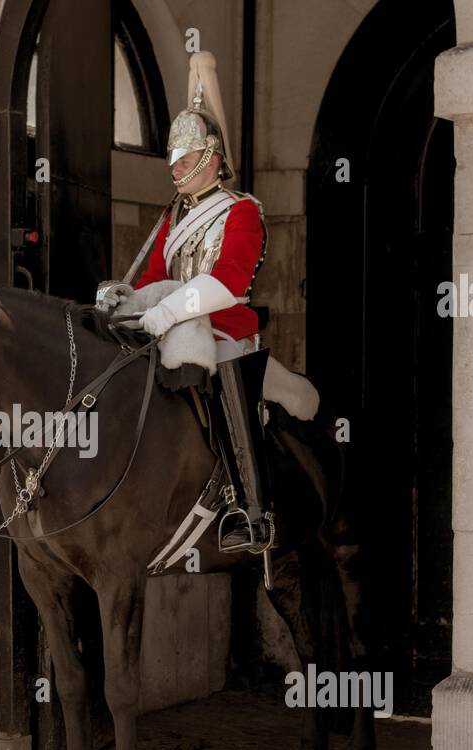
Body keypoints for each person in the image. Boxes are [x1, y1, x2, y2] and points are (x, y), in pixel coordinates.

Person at [97, 51, 312, 553]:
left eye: (187, 160)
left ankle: (252, 512)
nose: (177, 170)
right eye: (174, 161)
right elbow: (156, 279)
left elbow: (230, 282)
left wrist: (167, 311)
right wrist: (124, 298)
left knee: (231, 382)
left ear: (213, 157)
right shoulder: (173, 221)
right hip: (171, 327)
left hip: (225, 330)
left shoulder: (242, 213)